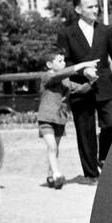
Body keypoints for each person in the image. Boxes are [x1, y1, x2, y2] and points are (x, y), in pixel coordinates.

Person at [56, 0, 112, 180]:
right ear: (78, 9)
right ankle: (91, 174)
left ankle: (104, 157)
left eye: (96, 6)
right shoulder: (66, 33)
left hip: (105, 86)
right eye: (90, 6)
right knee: (85, 132)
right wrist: (82, 71)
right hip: (80, 88)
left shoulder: (105, 30)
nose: (95, 10)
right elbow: (63, 63)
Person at [36, 51, 94, 188]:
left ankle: (50, 176)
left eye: (64, 60)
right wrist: (83, 65)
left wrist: (92, 81)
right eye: (60, 61)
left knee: (55, 149)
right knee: (52, 147)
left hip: (60, 119)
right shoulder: (46, 77)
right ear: (49, 64)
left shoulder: (65, 81)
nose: (63, 63)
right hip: (46, 118)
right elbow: (61, 74)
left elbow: (80, 89)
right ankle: (57, 174)